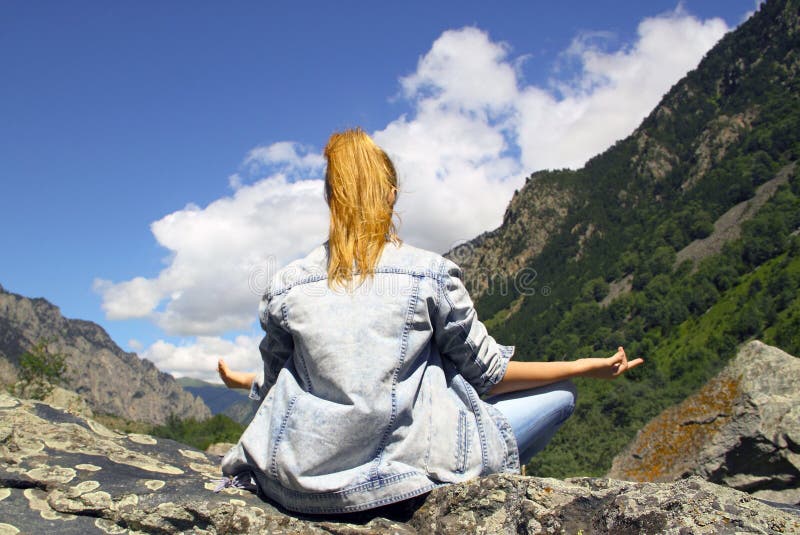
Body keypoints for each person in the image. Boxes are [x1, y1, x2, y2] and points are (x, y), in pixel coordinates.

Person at [217, 128, 643, 514]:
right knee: (561, 395)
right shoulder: (429, 273)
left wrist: (244, 382)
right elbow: (490, 375)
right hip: (399, 480)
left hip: (299, 487)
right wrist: (584, 368)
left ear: (331, 197)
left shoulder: (286, 285)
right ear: (391, 195)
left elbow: (277, 389)